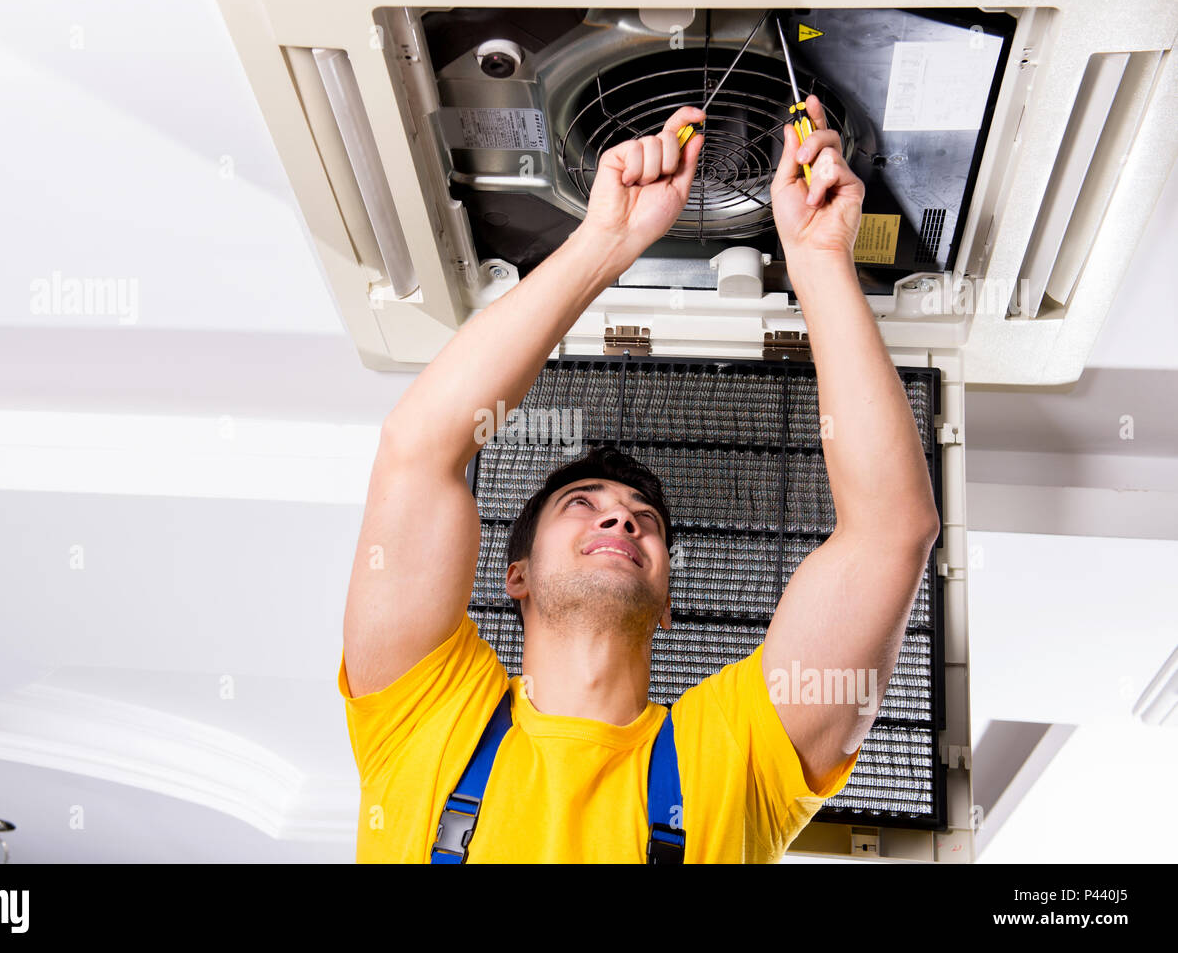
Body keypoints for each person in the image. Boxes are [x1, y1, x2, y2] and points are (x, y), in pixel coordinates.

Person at [338, 98, 940, 862]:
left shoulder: (734, 757)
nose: (622, 521)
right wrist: (604, 239)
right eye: (583, 504)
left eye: (642, 520)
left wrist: (819, 260)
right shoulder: (423, 716)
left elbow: (893, 532)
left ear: (665, 605)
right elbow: (418, 446)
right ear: (515, 574)